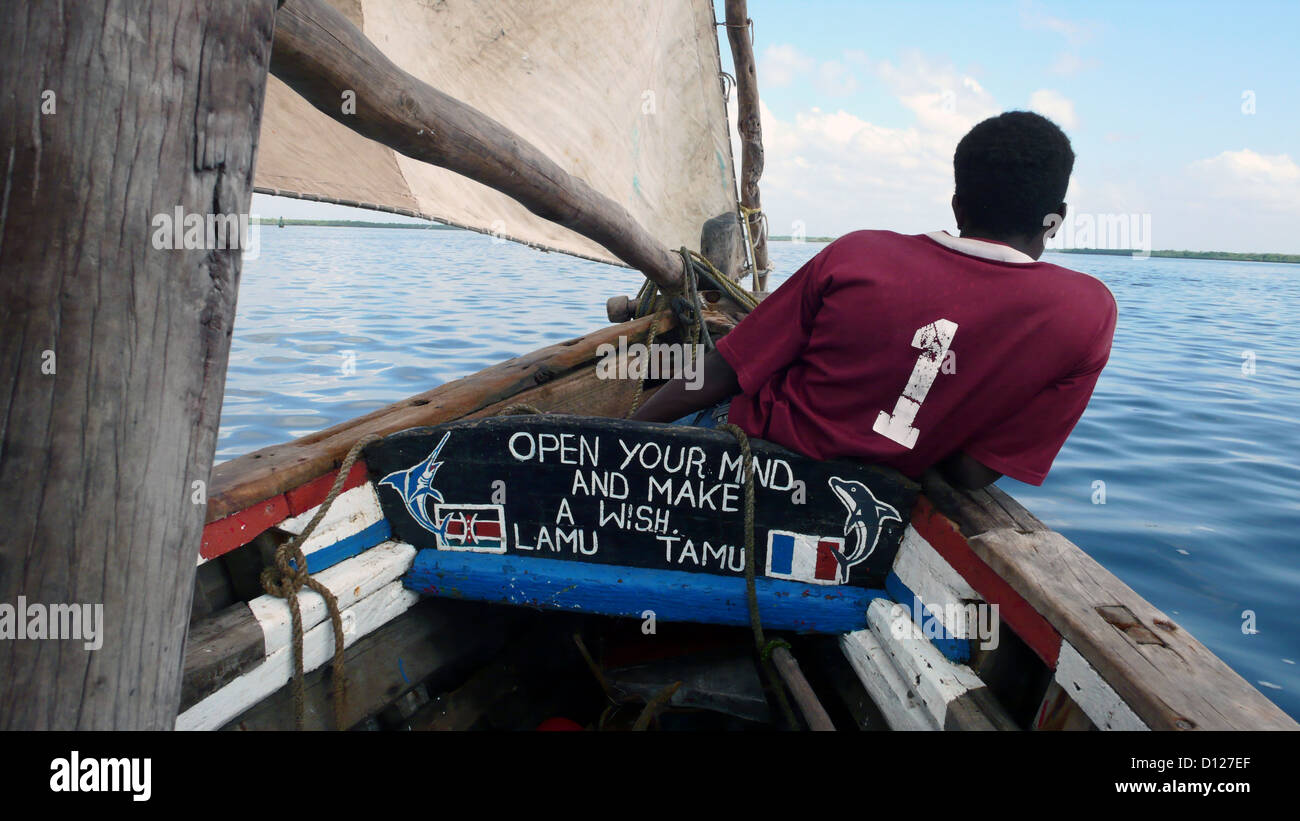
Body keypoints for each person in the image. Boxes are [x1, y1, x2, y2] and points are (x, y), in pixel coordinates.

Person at [631, 111, 1117, 490]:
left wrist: (621, 436)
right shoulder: (1086, 313)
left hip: (744, 449)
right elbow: (972, 476)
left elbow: (727, 369)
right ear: (1057, 218)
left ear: (957, 203)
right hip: (880, 494)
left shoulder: (860, 253)